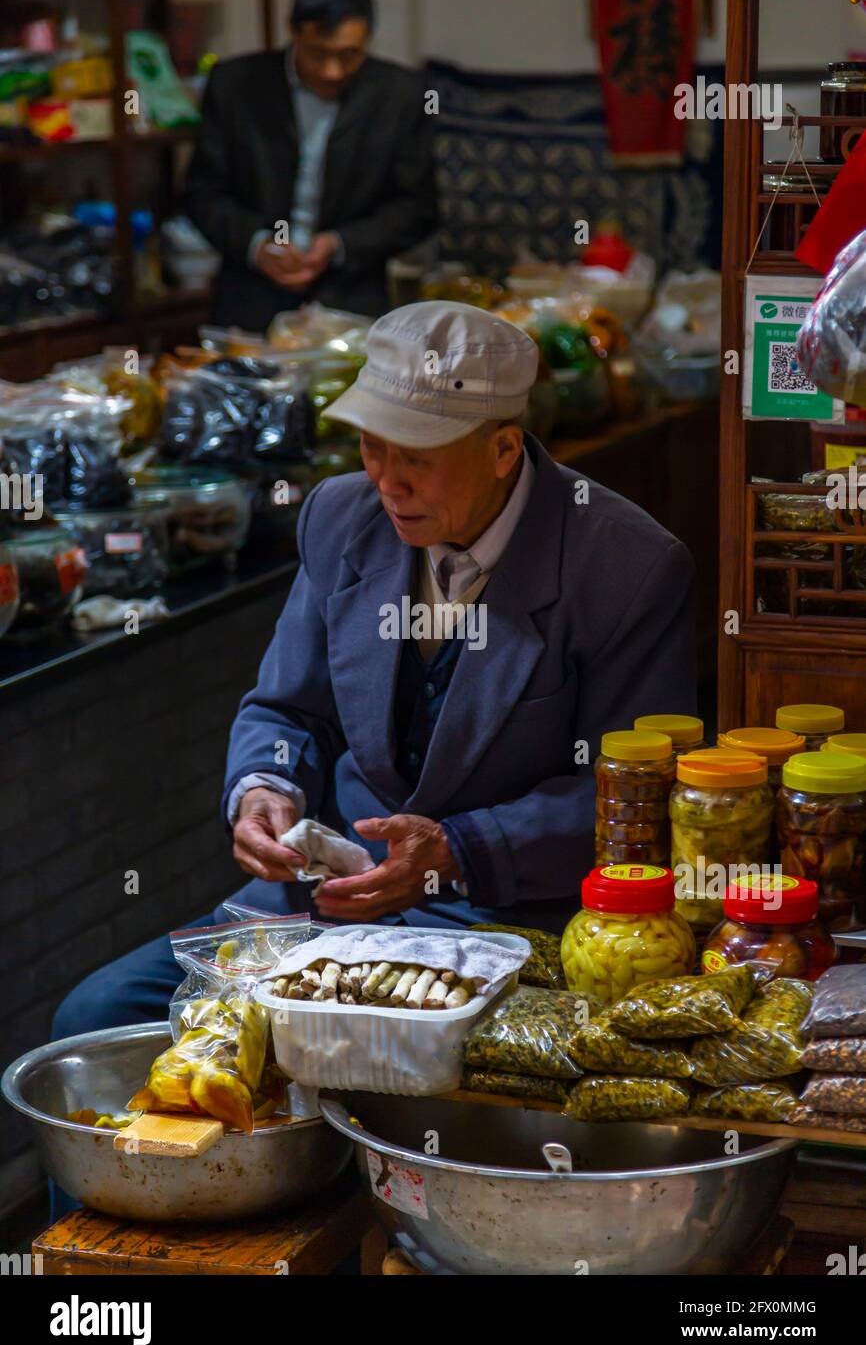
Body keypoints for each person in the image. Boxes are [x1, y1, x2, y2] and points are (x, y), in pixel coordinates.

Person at [54, 300, 696, 1039]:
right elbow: (288, 709)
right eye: (372, 447)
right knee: (95, 1018)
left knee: (392, 1072)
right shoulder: (341, 516)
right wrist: (265, 786)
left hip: (501, 916)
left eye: (417, 457)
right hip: (330, 901)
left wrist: (459, 850)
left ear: (504, 449)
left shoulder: (626, 566)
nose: (388, 481)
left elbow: (633, 804)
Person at [184, 0, 437, 331]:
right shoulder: (235, 84)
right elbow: (202, 193)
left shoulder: (402, 94)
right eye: (318, 53)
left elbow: (418, 208)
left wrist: (338, 245)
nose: (332, 71)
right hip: (249, 298)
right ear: (295, 33)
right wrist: (258, 245)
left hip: (352, 299)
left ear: (368, 42)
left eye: (349, 56)